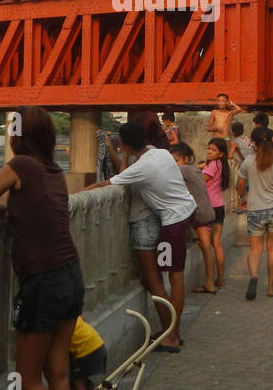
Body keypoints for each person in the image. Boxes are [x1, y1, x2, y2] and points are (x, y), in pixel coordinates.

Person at [0, 107, 84, 390]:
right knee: (57, 372)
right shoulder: (55, 172)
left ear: (19, 136)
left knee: (27, 381)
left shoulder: (20, 165)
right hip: (71, 275)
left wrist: (5, 211)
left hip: (43, 281)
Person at [82, 121, 195, 352]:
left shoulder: (141, 168)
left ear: (124, 145)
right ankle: (171, 331)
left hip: (173, 221)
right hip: (185, 212)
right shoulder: (160, 152)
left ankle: (172, 335)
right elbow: (127, 172)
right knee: (172, 276)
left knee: (173, 277)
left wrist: (75, 196)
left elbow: (107, 183)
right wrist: (126, 152)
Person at [236, 126, 273, 300]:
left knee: (255, 249)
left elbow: (239, 185)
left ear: (252, 143)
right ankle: (270, 288)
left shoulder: (247, 162)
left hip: (255, 210)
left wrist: (242, 197)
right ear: (272, 140)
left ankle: (254, 275)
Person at [168, 142, 218, 293]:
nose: (174, 165)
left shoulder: (184, 170)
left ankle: (210, 282)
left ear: (186, 158)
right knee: (206, 247)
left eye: (176, 161)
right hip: (207, 211)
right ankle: (212, 281)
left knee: (206, 248)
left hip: (200, 214)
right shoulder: (194, 169)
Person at [199, 137, 230, 290]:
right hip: (219, 206)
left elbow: (200, 180)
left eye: (213, 150)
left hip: (208, 207)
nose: (209, 152)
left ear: (221, 153)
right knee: (217, 244)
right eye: (209, 148)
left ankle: (209, 281)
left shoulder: (211, 166)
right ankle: (221, 279)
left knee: (206, 246)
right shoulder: (219, 165)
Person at [69, 316, 107, 390]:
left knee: (78, 383)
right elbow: (83, 318)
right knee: (87, 381)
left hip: (86, 351)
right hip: (98, 344)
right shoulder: (71, 314)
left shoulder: (58, 321)